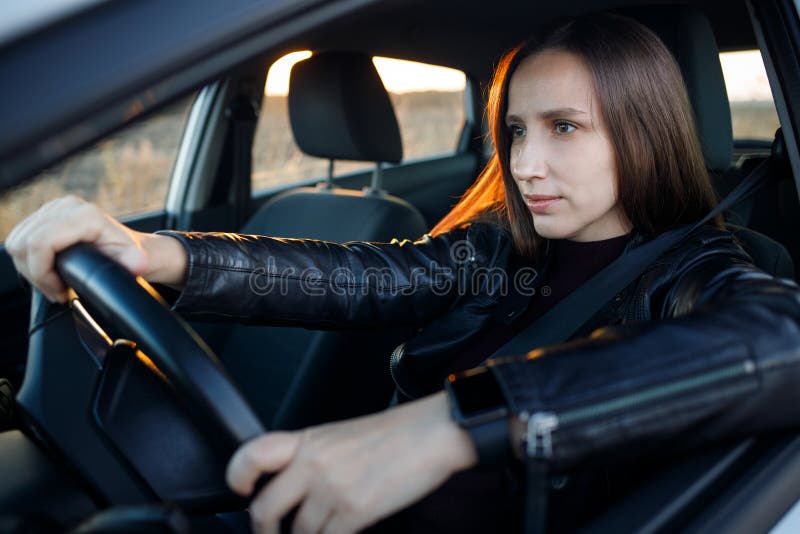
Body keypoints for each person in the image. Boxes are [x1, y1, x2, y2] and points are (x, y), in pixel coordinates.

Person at [7, 12, 800, 534]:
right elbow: (367, 278)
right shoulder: (500, 245)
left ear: (644, 135)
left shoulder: (702, 274)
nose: (525, 164)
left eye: (565, 128)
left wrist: (456, 424)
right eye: (516, 130)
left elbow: (786, 335)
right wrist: (157, 254)